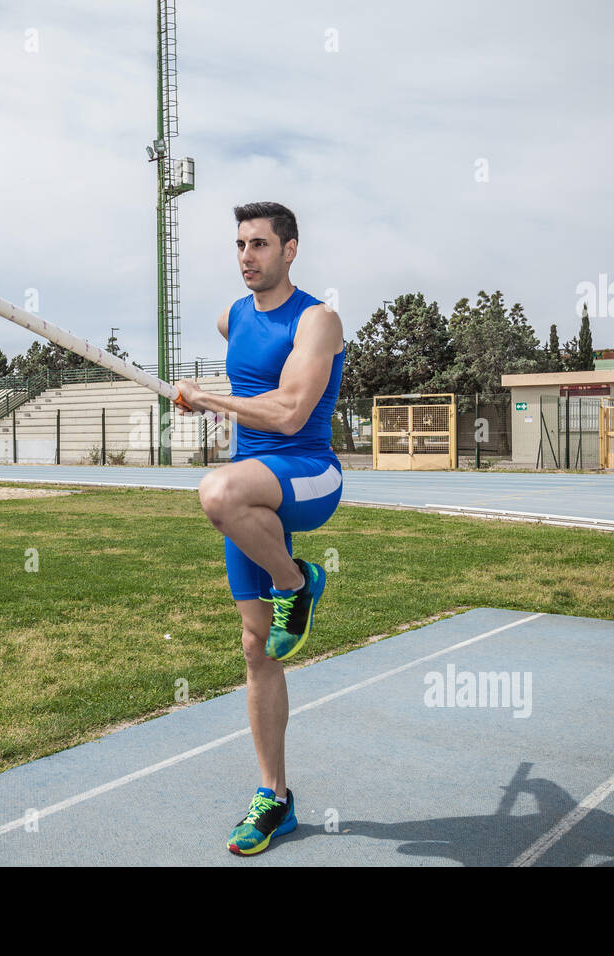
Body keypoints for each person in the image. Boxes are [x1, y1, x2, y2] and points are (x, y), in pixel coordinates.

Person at [173, 201, 344, 856]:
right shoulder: (232, 316)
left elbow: (292, 411)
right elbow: (245, 368)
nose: (247, 256)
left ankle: (298, 581)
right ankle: (275, 797)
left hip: (307, 476)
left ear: (291, 249)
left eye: (261, 244)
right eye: (240, 244)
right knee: (256, 647)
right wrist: (205, 396)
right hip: (252, 491)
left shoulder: (317, 319)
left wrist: (208, 396)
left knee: (213, 491)